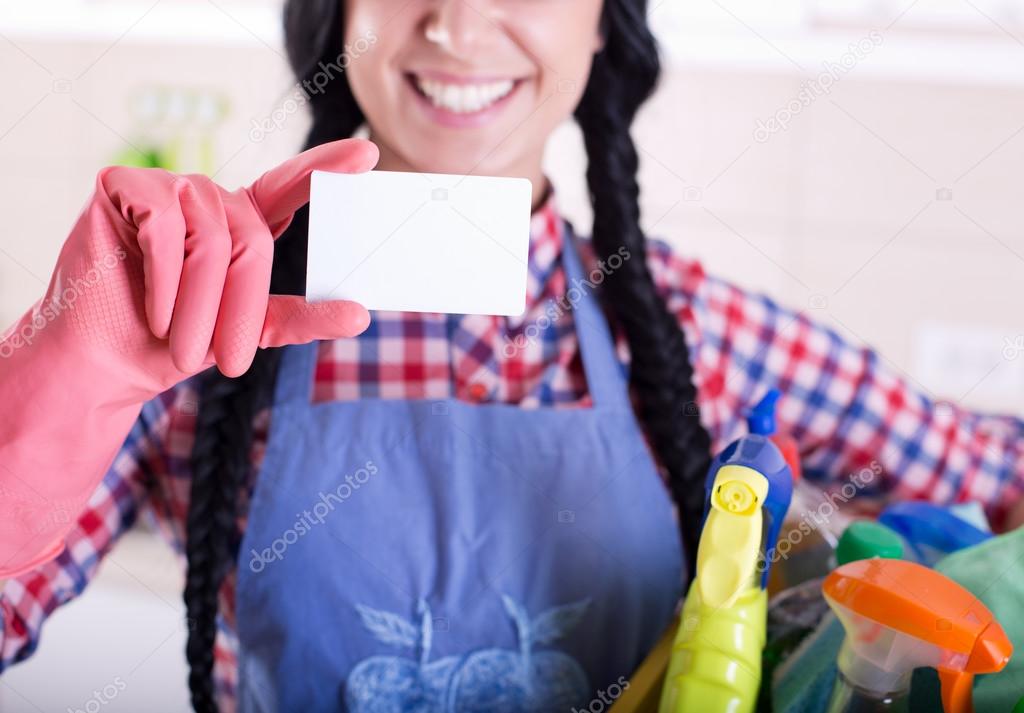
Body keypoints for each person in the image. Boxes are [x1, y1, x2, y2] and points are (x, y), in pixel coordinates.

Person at [1, 1, 1022, 711]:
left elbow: (998, 477)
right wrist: (49, 382)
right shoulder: (193, 328)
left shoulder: (696, 326)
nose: (453, 22)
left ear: (600, 20)